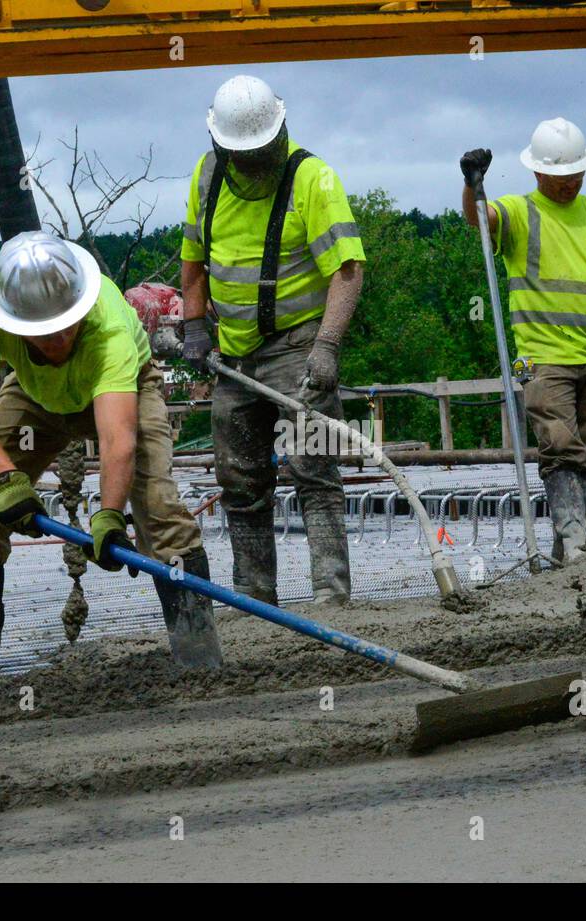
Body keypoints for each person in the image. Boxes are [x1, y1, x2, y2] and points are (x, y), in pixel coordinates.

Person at [0, 231, 222, 675]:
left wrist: (110, 515)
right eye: (43, 333)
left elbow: (117, 439)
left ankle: (201, 669)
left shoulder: (107, 322)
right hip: (34, 396)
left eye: (64, 327)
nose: (56, 341)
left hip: (124, 387)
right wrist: (6, 479)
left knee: (161, 514)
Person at [179, 75, 366, 606]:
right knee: (241, 482)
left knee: (314, 472)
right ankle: (254, 599)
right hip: (235, 357)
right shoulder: (207, 175)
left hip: (296, 347)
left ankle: (332, 599)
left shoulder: (313, 179)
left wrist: (327, 345)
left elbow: (347, 271)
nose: (251, 164)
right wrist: (195, 326)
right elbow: (193, 261)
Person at [461, 118, 586, 561]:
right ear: (537, 172)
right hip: (542, 359)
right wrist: (473, 185)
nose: (569, 184)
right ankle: (577, 544)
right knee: (561, 447)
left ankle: (566, 549)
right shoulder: (520, 212)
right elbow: (478, 219)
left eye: (576, 176)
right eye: (561, 177)